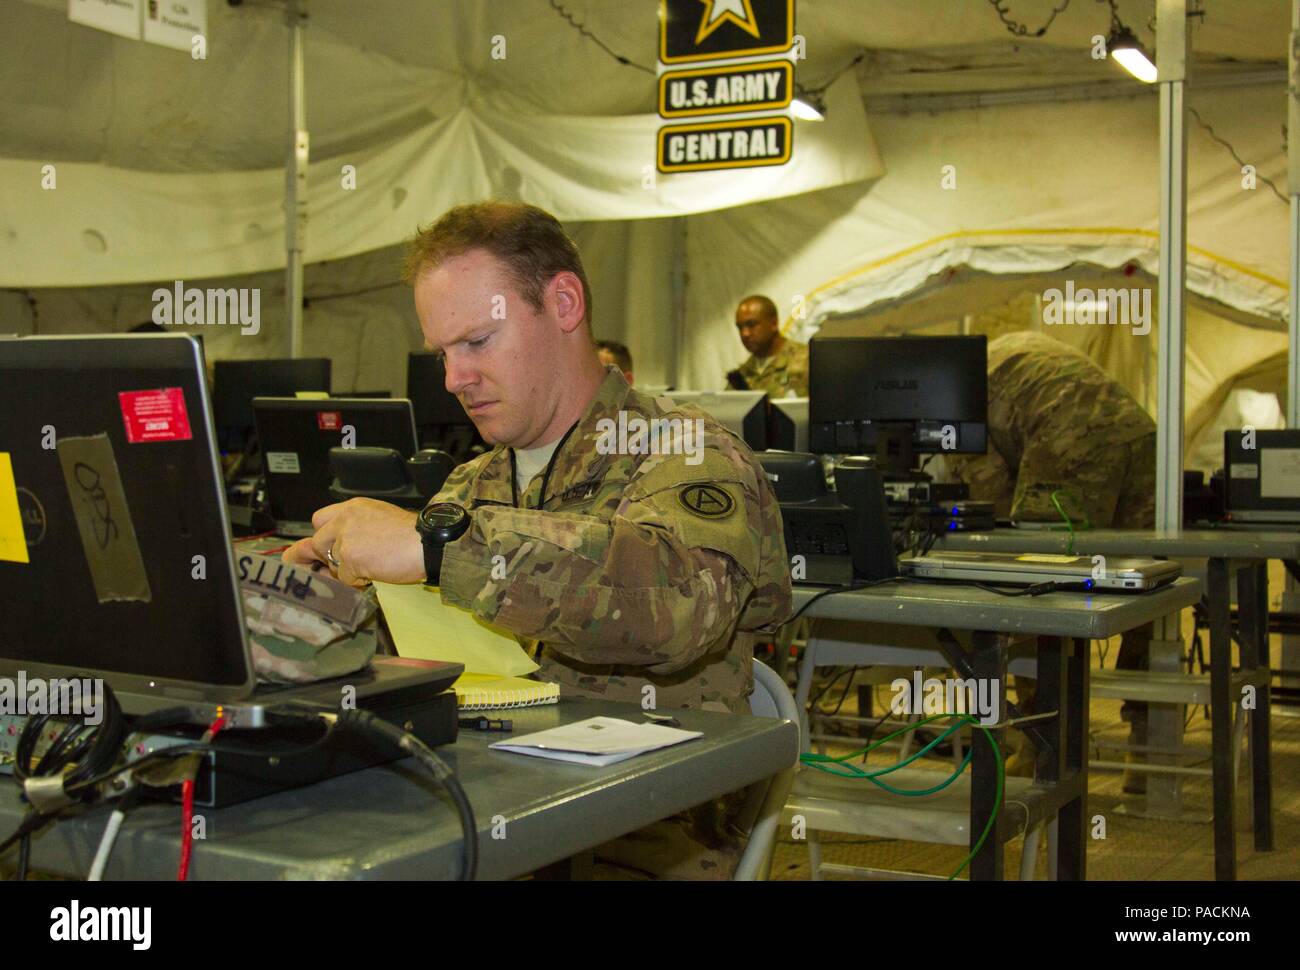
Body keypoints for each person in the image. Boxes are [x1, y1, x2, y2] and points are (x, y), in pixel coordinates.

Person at [283, 201, 794, 877]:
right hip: (476, 809)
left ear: (563, 302)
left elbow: (675, 608)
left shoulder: (684, 452)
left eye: (477, 342)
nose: (453, 379)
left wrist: (437, 551)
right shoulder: (473, 485)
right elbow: (404, 657)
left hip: (632, 834)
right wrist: (307, 596)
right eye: (442, 352)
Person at [947, 329, 1155, 790]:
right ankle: (1147, 745)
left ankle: (1040, 747)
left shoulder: (953, 393)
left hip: (1069, 437)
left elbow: (989, 513)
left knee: (1036, 586)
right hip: (1140, 430)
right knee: (1147, 584)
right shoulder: (1003, 351)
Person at [732, 295, 808, 398]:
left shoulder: (807, 360)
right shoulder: (741, 376)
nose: (745, 333)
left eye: (752, 325)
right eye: (740, 327)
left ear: (774, 324)